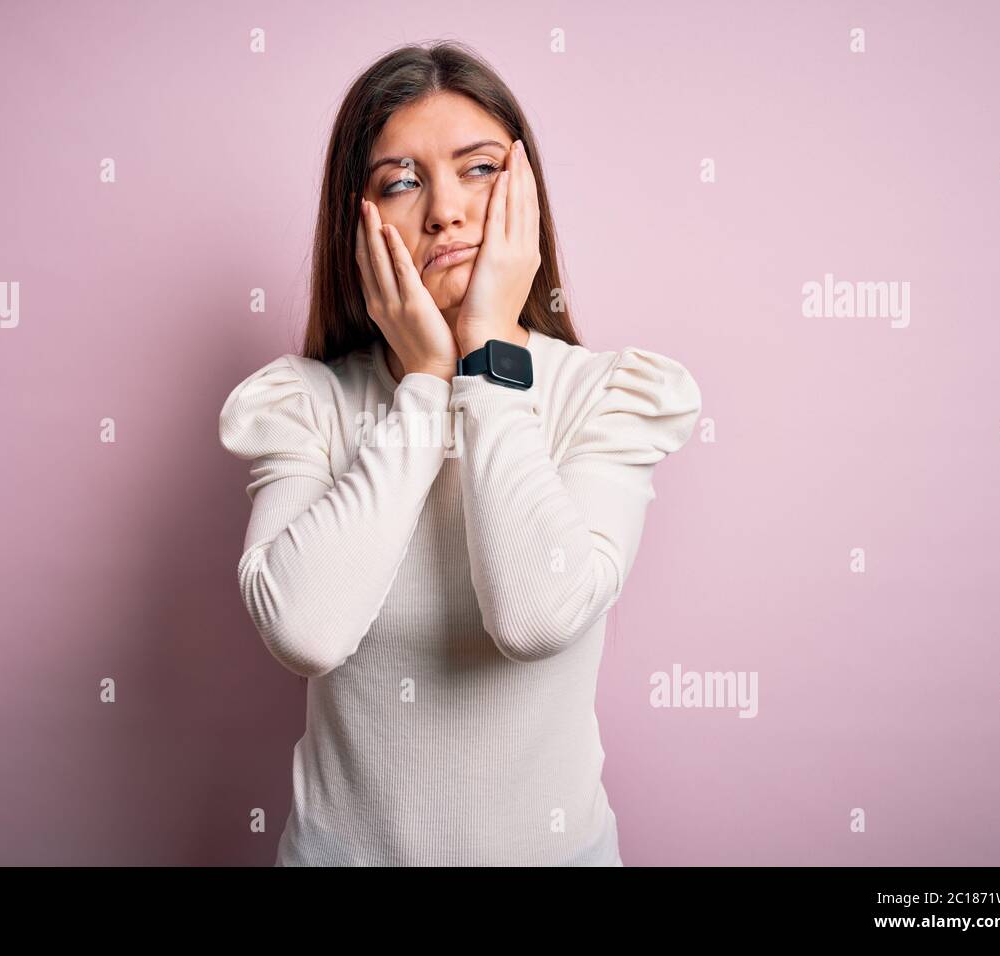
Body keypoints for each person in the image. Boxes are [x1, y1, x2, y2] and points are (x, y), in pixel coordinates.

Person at [218, 40, 702, 866]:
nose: (444, 209)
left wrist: (486, 357)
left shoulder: (608, 396)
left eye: (478, 169)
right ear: (356, 224)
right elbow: (304, 631)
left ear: (526, 195)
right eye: (400, 182)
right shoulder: (303, 404)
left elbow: (535, 615)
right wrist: (425, 386)